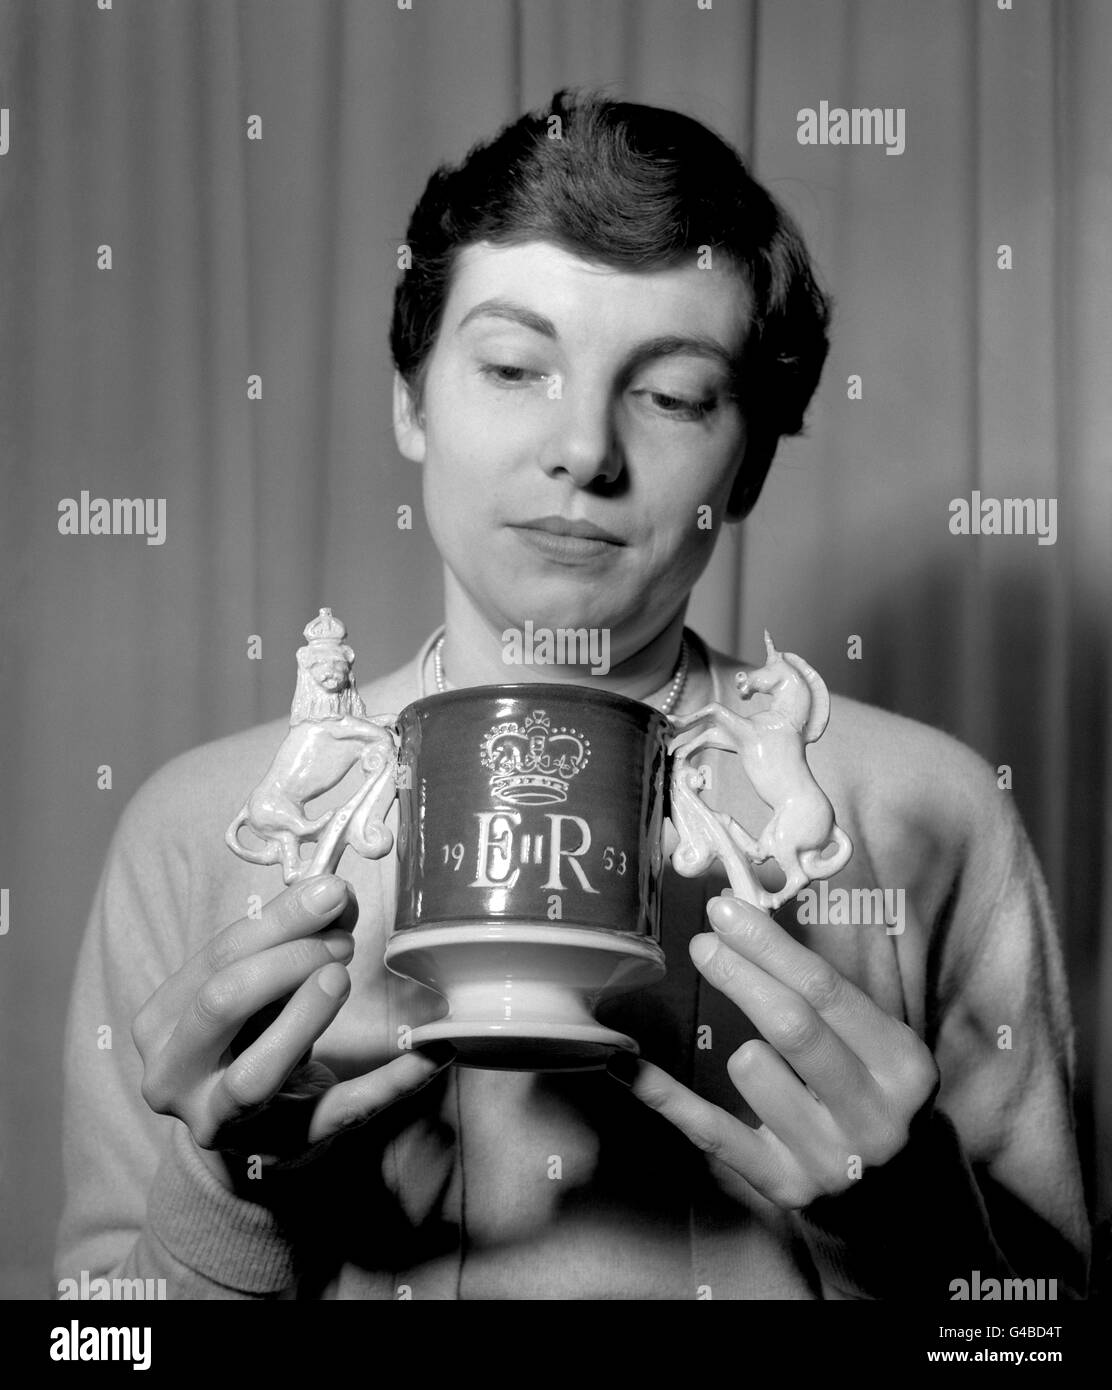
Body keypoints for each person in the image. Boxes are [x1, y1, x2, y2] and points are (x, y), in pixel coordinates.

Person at [55, 89, 1090, 1300]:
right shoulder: (208, 823)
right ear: (410, 402)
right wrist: (221, 1199)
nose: (583, 449)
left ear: (746, 462)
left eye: (672, 394)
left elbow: (1037, 1337)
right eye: (511, 365)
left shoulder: (926, 813)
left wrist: (921, 1235)